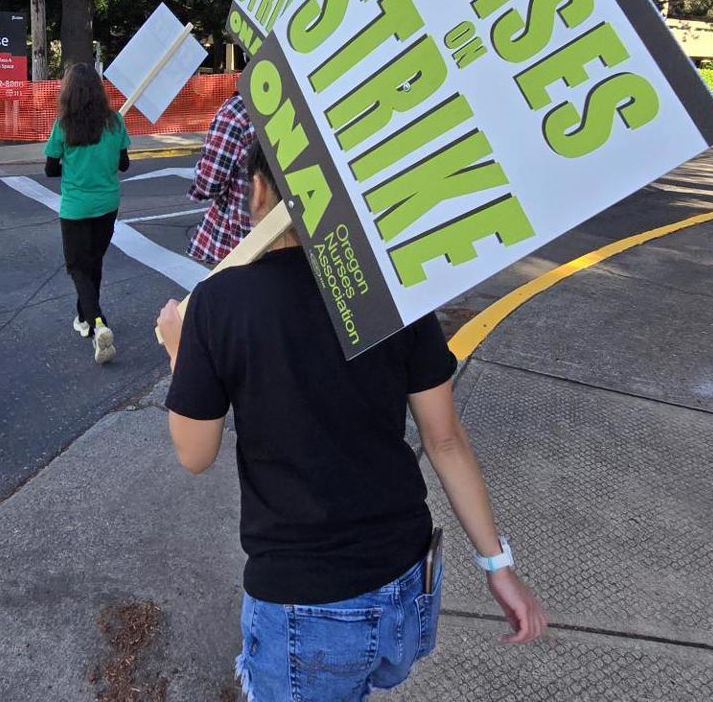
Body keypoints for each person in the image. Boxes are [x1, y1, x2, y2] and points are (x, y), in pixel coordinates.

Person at [157, 145, 546, 699]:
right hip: (407, 584)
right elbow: (445, 440)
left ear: (261, 191)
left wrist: (181, 353)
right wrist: (497, 566)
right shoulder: (391, 289)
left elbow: (194, 453)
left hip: (306, 604)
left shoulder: (221, 302)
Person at [44, 62, 130, 364]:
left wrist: (73, 165)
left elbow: (50, 169)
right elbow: (124, 165)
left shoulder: (63, 125)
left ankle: (97, 322)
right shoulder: (115, 122)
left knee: (78, 268)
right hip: (107, 204)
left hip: (76, 207)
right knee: (93, 262)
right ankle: (84, 317)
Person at [186, 88, 255, 266]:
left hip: (244, 236)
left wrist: (200, 169)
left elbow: (209, 183)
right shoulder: (306, 105)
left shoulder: (239, 110)